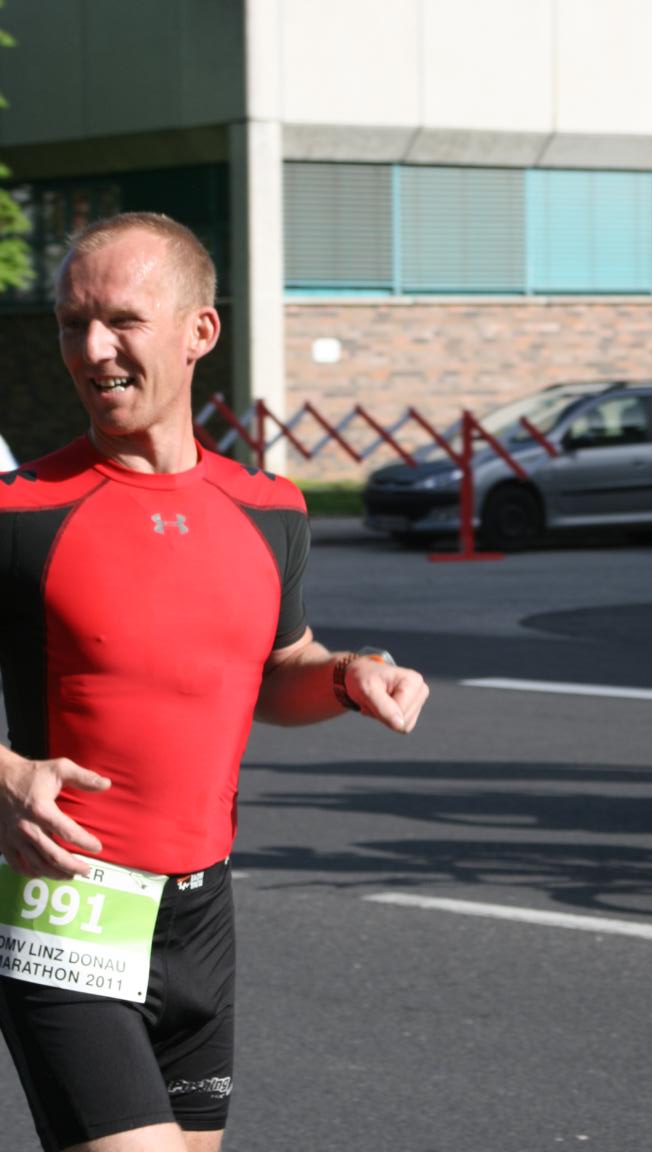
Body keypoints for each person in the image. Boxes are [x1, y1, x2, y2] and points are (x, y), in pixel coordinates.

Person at [0, 212, 429, 1152]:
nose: (92, 349)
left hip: (202, 914)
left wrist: (352, 677)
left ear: (200, 331)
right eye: (72, 324)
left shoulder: (270, 511)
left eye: (121, 320)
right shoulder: (23, 513)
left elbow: (277, 672)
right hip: (69, 902)